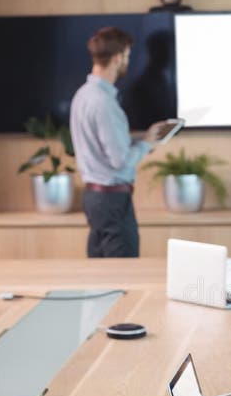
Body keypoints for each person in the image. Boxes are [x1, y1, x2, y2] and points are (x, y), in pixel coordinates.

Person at [70, 26, 168, 257]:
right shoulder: (103, 102)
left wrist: (143, 139)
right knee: (124, 275)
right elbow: (120, 160)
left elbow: (103, 144)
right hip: (112, 200)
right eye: (127, 57)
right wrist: (147, 145)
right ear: (116, 58)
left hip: (96, 198)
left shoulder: (82, 95)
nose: (127, 62)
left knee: (100, 274)